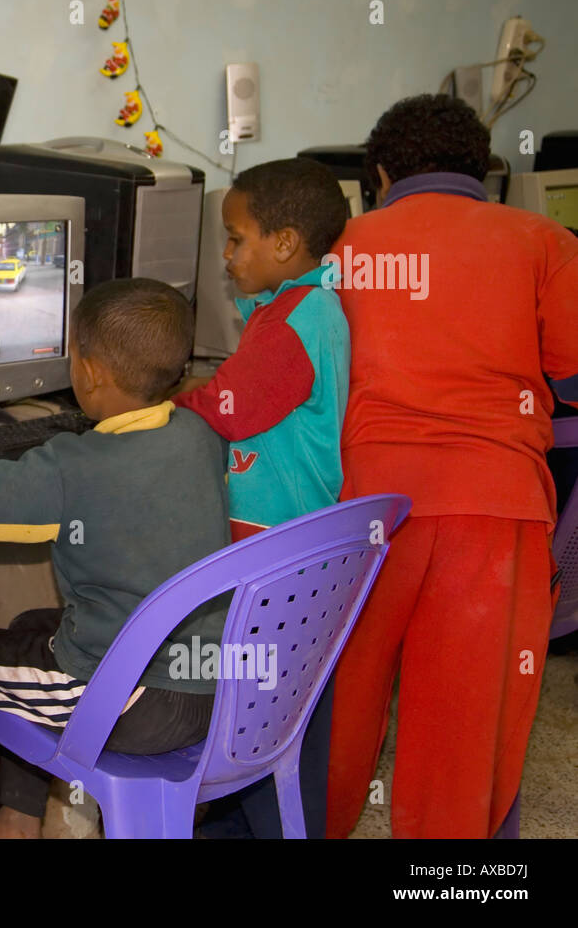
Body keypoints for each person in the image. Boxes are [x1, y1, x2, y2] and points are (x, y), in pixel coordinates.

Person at [324, 94, 578, 839]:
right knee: (466, 726)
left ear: (379, 174)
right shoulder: (543, 239)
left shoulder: (343, 245)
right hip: (492, 508)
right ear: (484, 169)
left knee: (338, 704)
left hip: (364, 510)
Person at [0, 278, 230, 838]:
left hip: (129, 702)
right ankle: (19, 815)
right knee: (27, 629)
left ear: (90, 372)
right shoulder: (200, 436)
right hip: (214, 688)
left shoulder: (78, 465)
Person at [169, 157, 350, 839]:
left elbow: (228, 407)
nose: (225, 255)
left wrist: (154, 405)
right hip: (302, 544)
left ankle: (273, 825)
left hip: (275, 548)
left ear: (285, 244)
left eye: (236, 239)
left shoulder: (291, 323)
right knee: (286, 702)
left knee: (261, 711)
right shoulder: (305, 307)